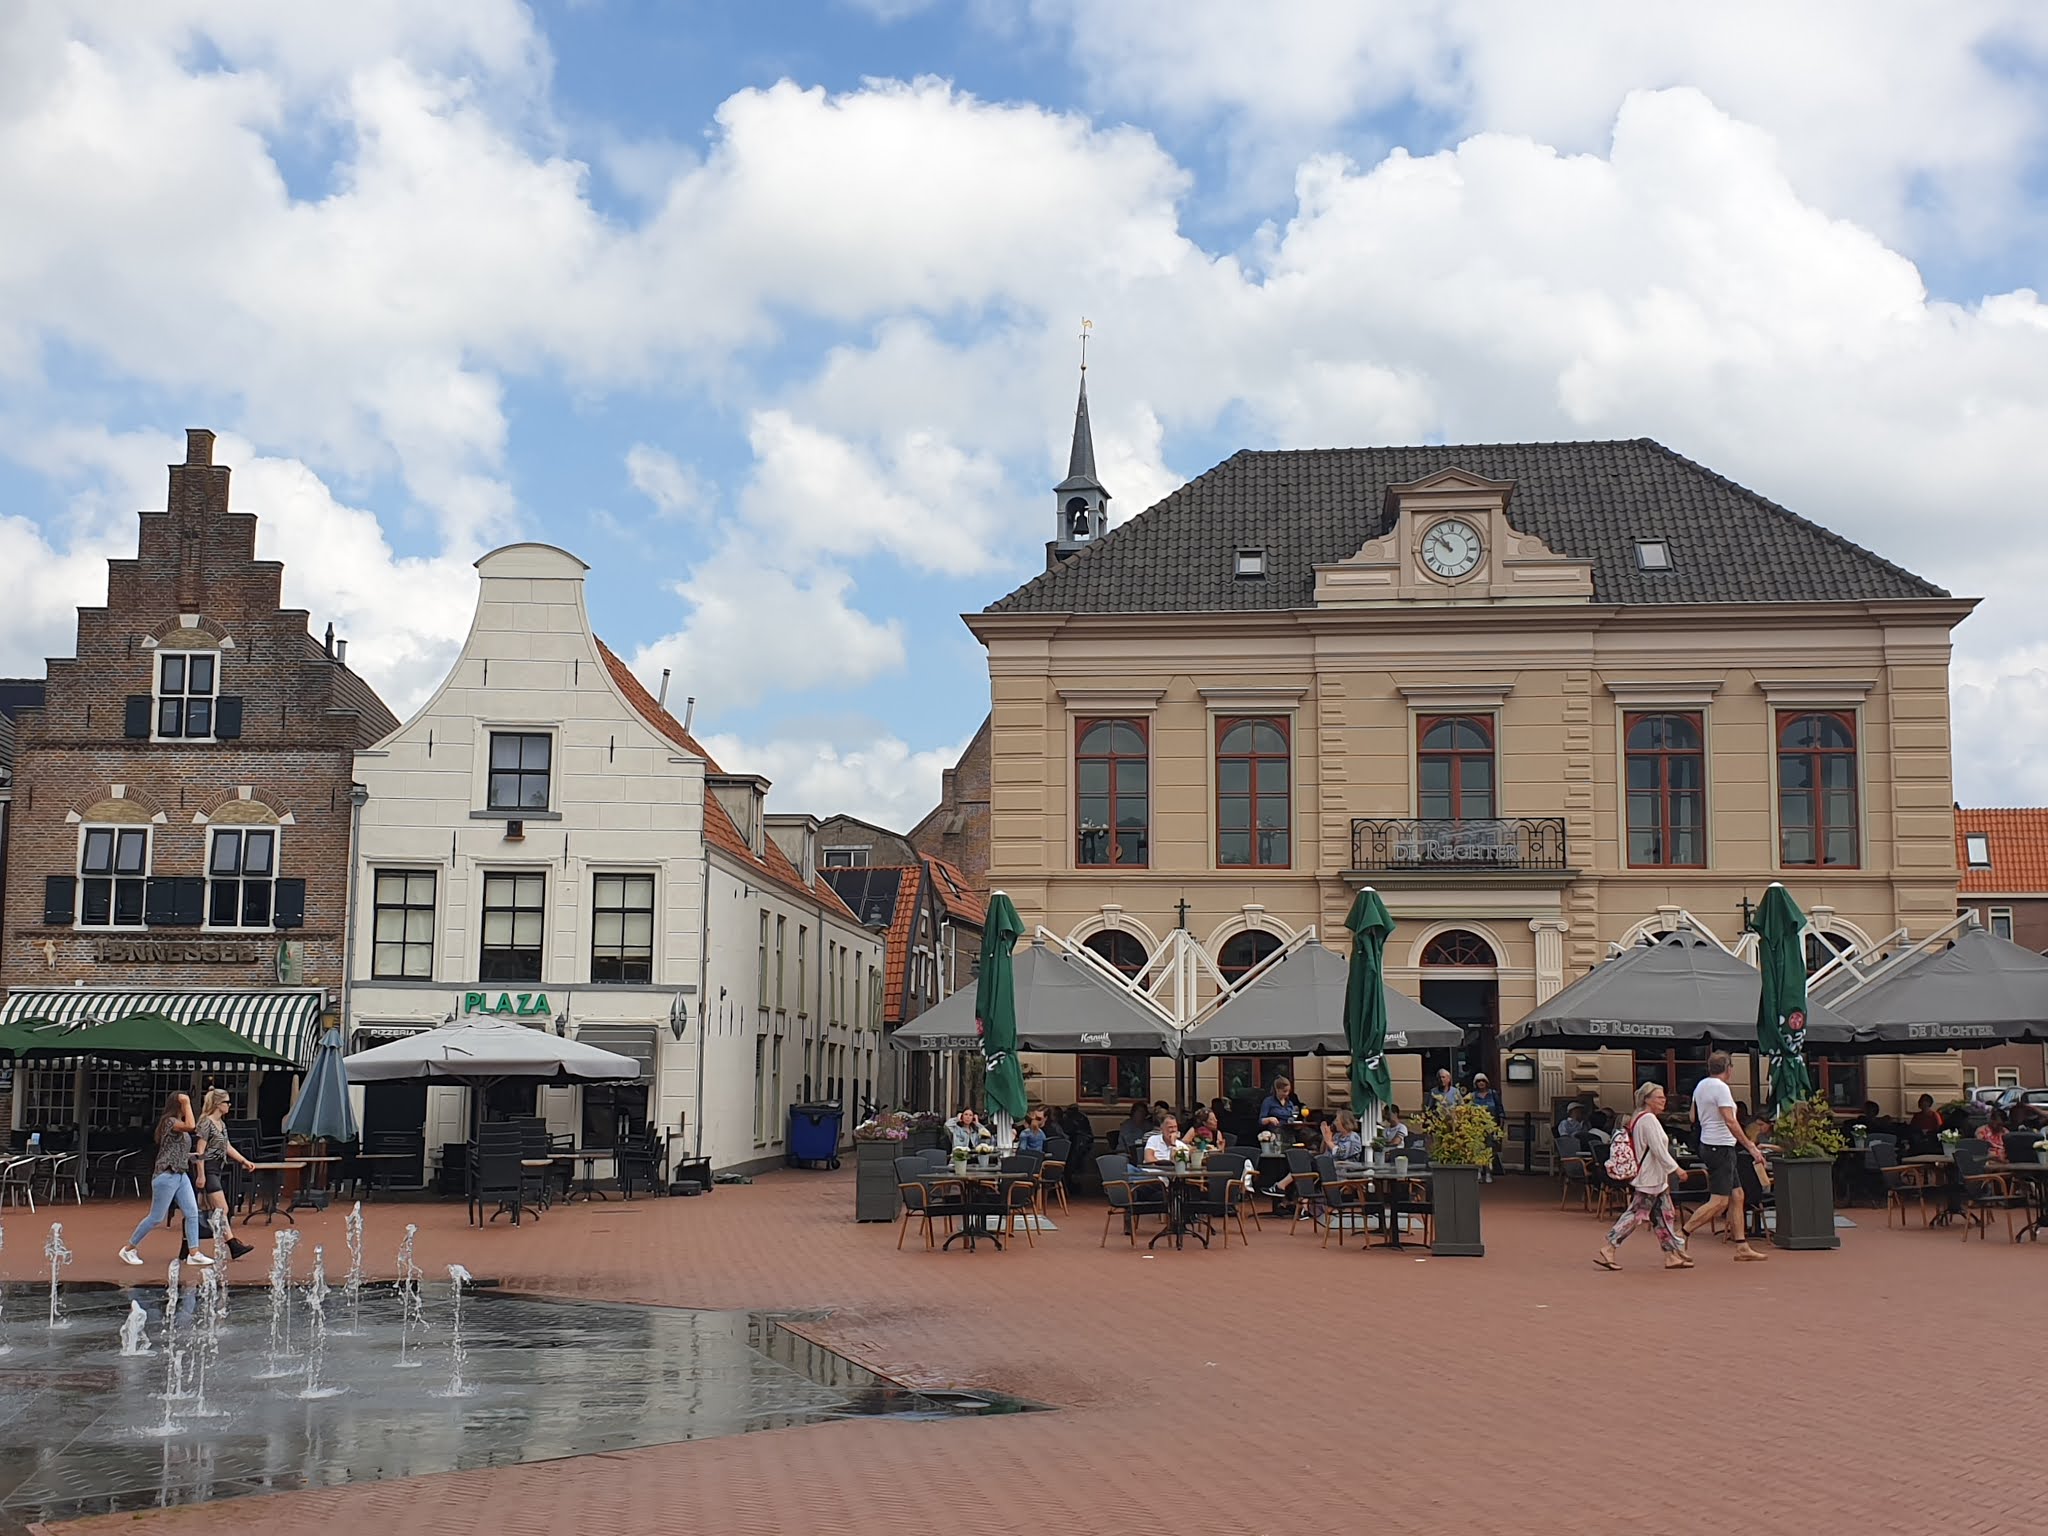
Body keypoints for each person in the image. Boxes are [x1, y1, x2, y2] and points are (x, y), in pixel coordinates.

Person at [1681, 1052, 1770, 1261]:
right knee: (1720, 1201)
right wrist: (1751, 1146)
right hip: (1720, 1147)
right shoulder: (1721, 1088)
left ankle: (1742, 1246)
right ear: (1728, 1068)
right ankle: (1680, 1235)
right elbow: (1730, 1121)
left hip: (1710, 1144)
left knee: (1737, 1196)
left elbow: (1692, 1117)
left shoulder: (1701, 1086)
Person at [1596, 1083, 1693, 1272]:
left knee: (1665, 1215)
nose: (1664, 1100)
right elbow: (1658, 1149)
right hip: (1650, 1178)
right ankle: (1609, 1247)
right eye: (1659, 1097)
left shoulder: (1640, 1118)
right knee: (1636, 1214)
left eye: (1663, 1097)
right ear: (1647, 1100)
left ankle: (1671, 1254)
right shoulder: (1648, 1120)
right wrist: (1676, 1169)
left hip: (1655, 1178)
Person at [118, 1092, 213, 1268]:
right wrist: (186, 1102)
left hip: (180, 1173)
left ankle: (194, 1253)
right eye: (184, 1104)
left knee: (192, 1212)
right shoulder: (169, 1121)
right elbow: (191, 1126)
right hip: (167, 1175)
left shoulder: (177, 1125)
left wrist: (191, 1156)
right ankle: (129, 1248)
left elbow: (177, 1148)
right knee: (156, 1217)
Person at [191, 1087, 257, 1261]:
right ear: (217, 1104)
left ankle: (192, 1241)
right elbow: (200, 1150)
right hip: (208, 1168)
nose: (229, 1105)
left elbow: (227, 1146)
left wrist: (243, 1160)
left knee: (212, 1209)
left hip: (217, 1168)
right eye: (226, 1102)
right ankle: (231, 1244)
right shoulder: (206, 1122)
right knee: (222, 1209)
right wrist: (201, 1174)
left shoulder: (221, 1124)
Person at [1467, 1073, 1504, 1183]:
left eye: (1483, 1081)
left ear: (1486, 1082)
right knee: (1477, 1149)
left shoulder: (1493, 1094)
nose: (1481, 1083)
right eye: (1478, 1081)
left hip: (1490, 1126)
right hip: (1477, 1126)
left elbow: (1500, 1109)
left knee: (1489, 1150)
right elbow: (1468, 1111)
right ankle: (1479, 1171)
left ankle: (1488, 1172)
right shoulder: (1472, 1096)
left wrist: (1500, 1125)